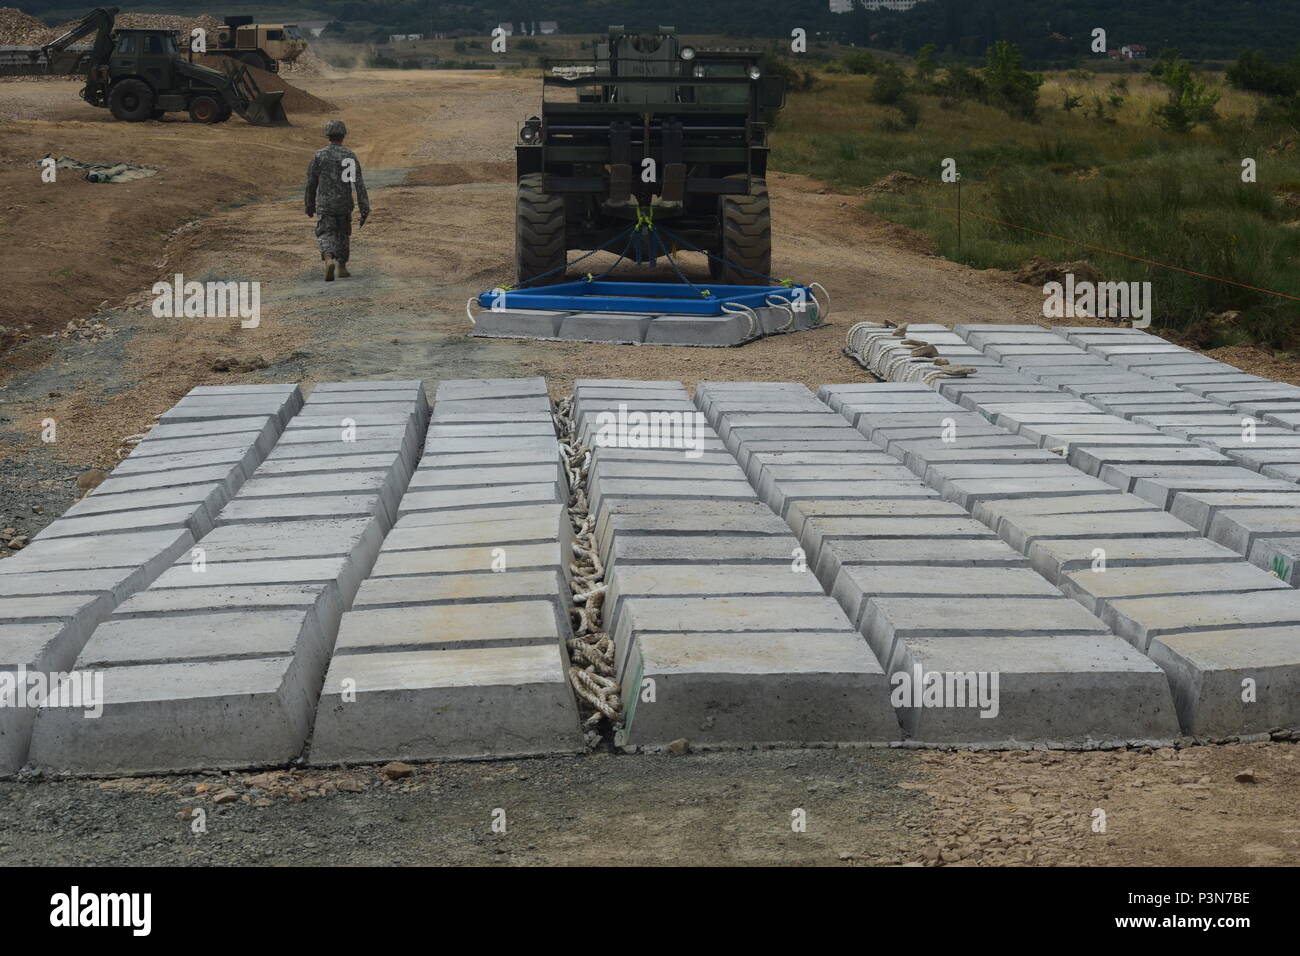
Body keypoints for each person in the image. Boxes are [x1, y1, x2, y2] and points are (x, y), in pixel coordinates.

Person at [304, 119, 369, 281]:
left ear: (328, 135)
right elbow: (359, 184)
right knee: (343, 233)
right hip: (344, 203)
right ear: (343, 135)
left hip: (325, 204)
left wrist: (309, 204)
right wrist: (364, 208)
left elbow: (311, 183)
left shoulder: (319, 156)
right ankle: (342, 267)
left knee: (326, 232)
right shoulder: (350, 156)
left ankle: (328, 258)